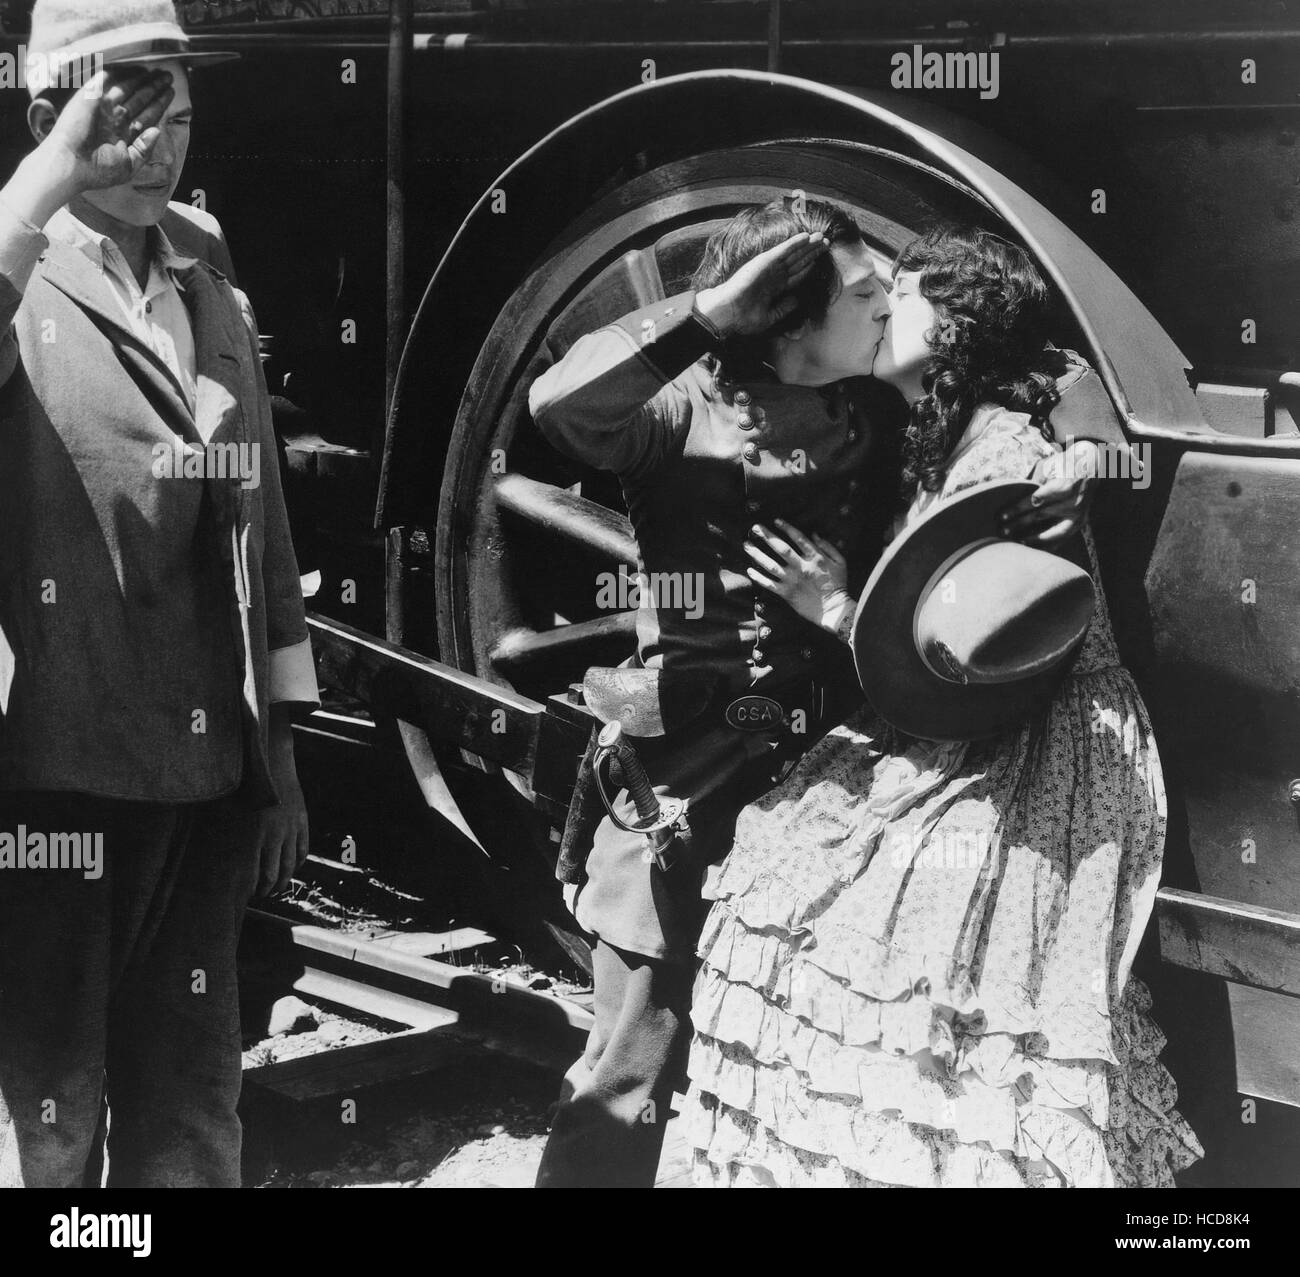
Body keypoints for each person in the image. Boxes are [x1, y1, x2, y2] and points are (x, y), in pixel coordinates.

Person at [529, 199, 1101, 1187]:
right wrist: (705, 311)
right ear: (784, 315)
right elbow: (558, 407)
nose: (889, 296)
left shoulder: (870, 394)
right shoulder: (681, 412)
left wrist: (1088, 452)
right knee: (630, 1072)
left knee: (790, 1075)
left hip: (832, 783)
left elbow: (1055, 371)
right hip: (691, 780)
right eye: (863, 289)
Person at [682, 227, 1204, 1187]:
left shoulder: (1009, 442)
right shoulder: (938, 426)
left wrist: (840, 608)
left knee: (882, 923)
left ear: (959, 328)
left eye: (905, 294)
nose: (881, 304)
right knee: (795, 866)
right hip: (971, 714)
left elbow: (969, 655)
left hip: (1031, 733)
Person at [0, 1, 316, 1188]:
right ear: (54, 120)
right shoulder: (16, 265)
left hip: (201, 772)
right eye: (126, 118)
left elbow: (264, 533)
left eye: (178, 116)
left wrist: (275, 755)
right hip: (49, 771)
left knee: (190, 1095)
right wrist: (41, 184)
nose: (162, 149)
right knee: (49, 1103)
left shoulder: (207, 280)